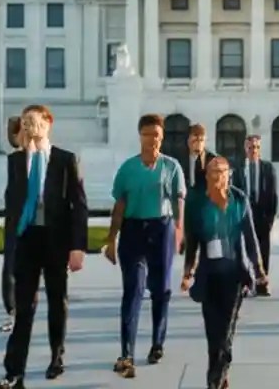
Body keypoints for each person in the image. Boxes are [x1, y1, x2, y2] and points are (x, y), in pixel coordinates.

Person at [0, 105, 89, 389]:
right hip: (27, 240)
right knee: (24, 308)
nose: (29, 127)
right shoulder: (16, 161)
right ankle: (14, 372)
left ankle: (56, 356)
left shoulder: (65, 160)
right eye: (25, 122)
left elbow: (79, 205)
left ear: (48, 123)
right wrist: (10, 244)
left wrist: (78, 246)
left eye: (34, 121)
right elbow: (12, 204)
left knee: (57, 301)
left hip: (56, 241)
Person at [104, 113, 186, 378]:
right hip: (132, 231)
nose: (153, 141)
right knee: (133, 290)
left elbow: (178, 201)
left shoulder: (171, 166)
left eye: (158, 137)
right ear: (140, 136)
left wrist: (179, 231)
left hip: (161, 229)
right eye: (149, 135)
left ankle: (157, 343)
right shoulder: (128, 169)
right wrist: (111, 239)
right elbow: (119, 206)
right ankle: (126, 351)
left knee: (161, 290)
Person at [181, 156, 268, 389]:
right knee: (213, 332)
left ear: (229, 174)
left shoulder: (239, 199)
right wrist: (188, 271)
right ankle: (220, 370)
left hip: (234, 275)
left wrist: (258, 269)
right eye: (213, 171)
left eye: (222, 171)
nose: (218, 176)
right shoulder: (198, 202)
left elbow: (250, 237)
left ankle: (215, 379)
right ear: (207, 175)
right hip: (209, 274)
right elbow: (192, 241)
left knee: (226, 329)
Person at [232, 134, 276, 295]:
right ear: (245, 149)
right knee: (243, 250)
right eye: (250, 148)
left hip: (262, 214)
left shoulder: (267, 168)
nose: (254, 151)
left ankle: (262, 283)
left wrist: (270, 218)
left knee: (263, 249)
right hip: (243, 215)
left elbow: (273, 194)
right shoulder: (237, 169)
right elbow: (234, 193)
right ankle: (245, 282)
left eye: (257, 147)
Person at [0, 116, 27, 333]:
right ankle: (13, 311)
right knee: (11, 267)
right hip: (15, 221)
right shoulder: (15, 161)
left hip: (34, 223)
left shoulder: (47, 159)